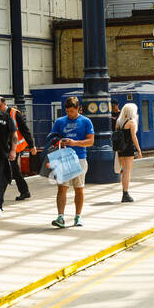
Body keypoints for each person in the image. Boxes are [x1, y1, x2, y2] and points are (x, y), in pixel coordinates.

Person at [50, 96, 94, 228]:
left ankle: (78, 216)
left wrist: (75, 143)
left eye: (72, 111)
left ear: (78, 109)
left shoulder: (86, 122)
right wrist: (59, 143)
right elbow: (52, 138)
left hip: (79, 158)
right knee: (61, 188)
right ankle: (60, 216)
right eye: (67, 111)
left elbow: (91, 141)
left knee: (78, 189)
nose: (69, 114)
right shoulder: (59, 122)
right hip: (63, 158)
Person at [6, 100, 37, 201]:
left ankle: (24, 191)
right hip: (5, 146)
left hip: (16, 146)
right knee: (10, 170)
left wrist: (31, 146)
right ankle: (24, 191)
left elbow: (25, 130)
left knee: (14, 170)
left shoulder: (14, 113)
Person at [113, 101, 142, 201]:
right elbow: (134, 137)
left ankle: (124, 192)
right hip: (129, 148)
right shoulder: (131, 122)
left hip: (120, 149)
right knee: (127, 172)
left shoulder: (118, 121)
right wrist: (139, 150)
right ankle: (125, 194)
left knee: (123, 171)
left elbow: (116, 135)